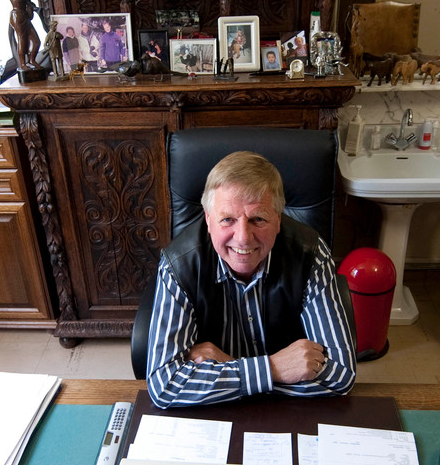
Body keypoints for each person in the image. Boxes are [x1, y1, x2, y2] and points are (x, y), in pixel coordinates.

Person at [145, 151, 355, 408]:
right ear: (208, 220)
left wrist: (225, 369)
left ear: (278, 220)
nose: (243, 237)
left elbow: (341, 375)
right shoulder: (179, 264)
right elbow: (164, 386)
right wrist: (273, 369)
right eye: (227, 219)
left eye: (258, 219)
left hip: (286, 415)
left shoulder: (309, 253)